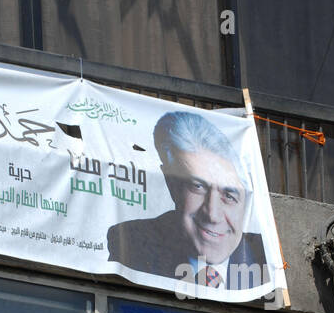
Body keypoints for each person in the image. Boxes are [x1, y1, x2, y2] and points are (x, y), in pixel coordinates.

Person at [107, 111, 269, 290]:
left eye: (229, 196)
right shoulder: (135, 242)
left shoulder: (266, 258)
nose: (212, 215)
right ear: (171, 184)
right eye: (198, 187)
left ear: (247, 200)